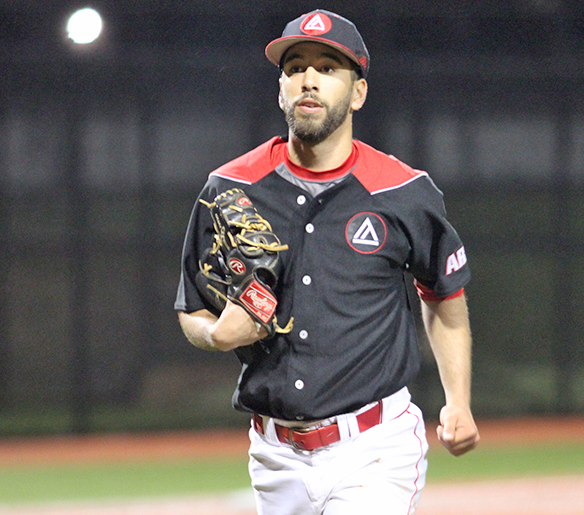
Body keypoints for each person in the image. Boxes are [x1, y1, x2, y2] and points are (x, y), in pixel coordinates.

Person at [175, 9, 479, 515]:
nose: (309, 80)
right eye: (295, 68)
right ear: (281, 90)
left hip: (375, 447)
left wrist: (459, 401)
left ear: (358, 92)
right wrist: (216, 335)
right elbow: (192, 308)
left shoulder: (403, 191)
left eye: (328, 68)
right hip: (275, 457)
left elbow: (444, 293)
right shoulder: (230, 190)